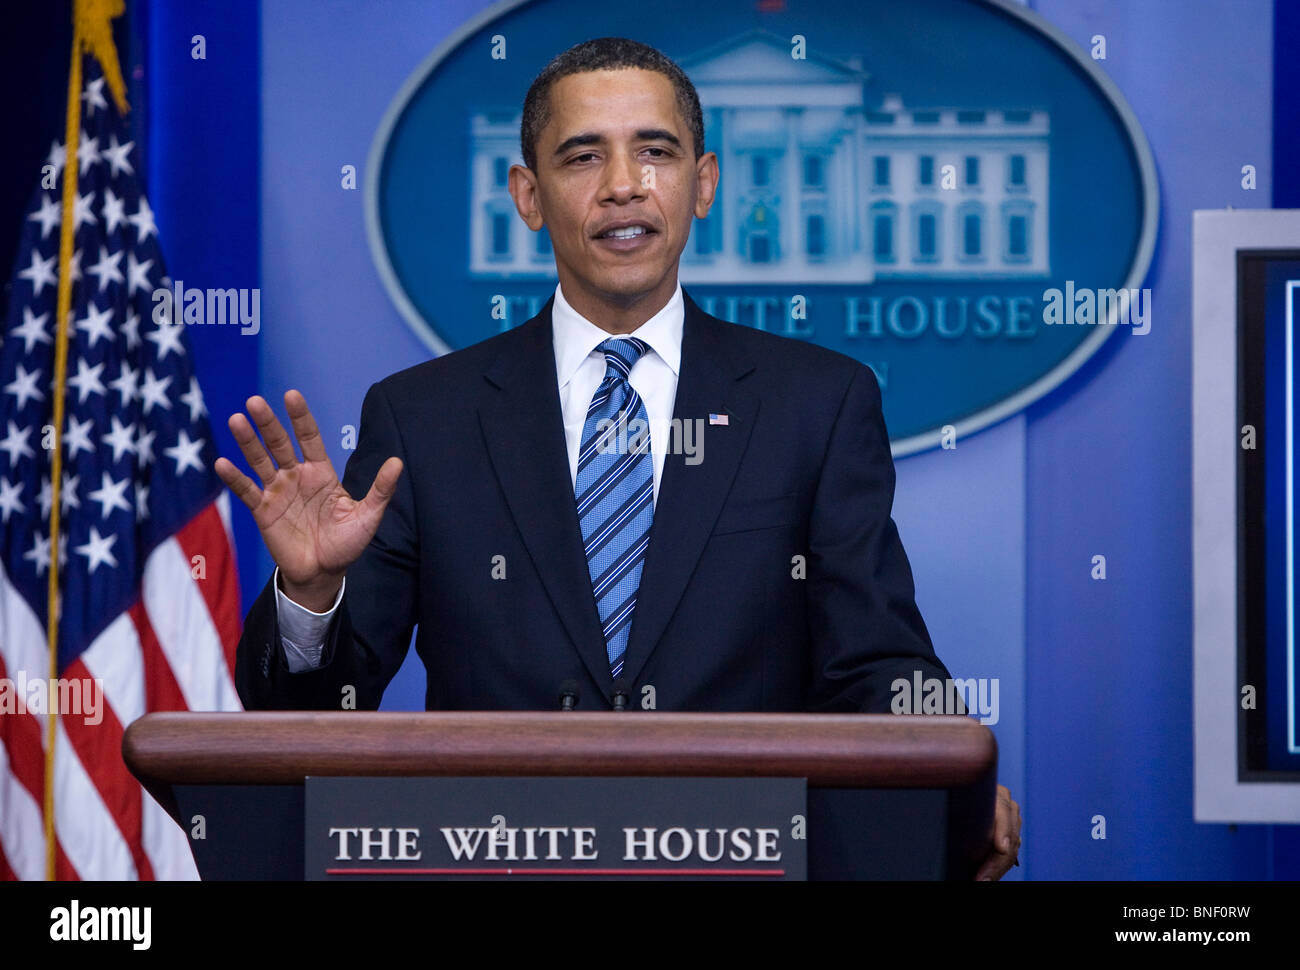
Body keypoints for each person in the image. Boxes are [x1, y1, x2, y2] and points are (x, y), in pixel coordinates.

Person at [215, 37, 1021, 879]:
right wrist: (311, 595)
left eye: (655, 151)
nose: (623, 185)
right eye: (583, 156)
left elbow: (878, 660)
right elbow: (311, 713)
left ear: (702, 183)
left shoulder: (817, 405)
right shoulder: (422, 419)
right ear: (528, 195)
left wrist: (951, 769)